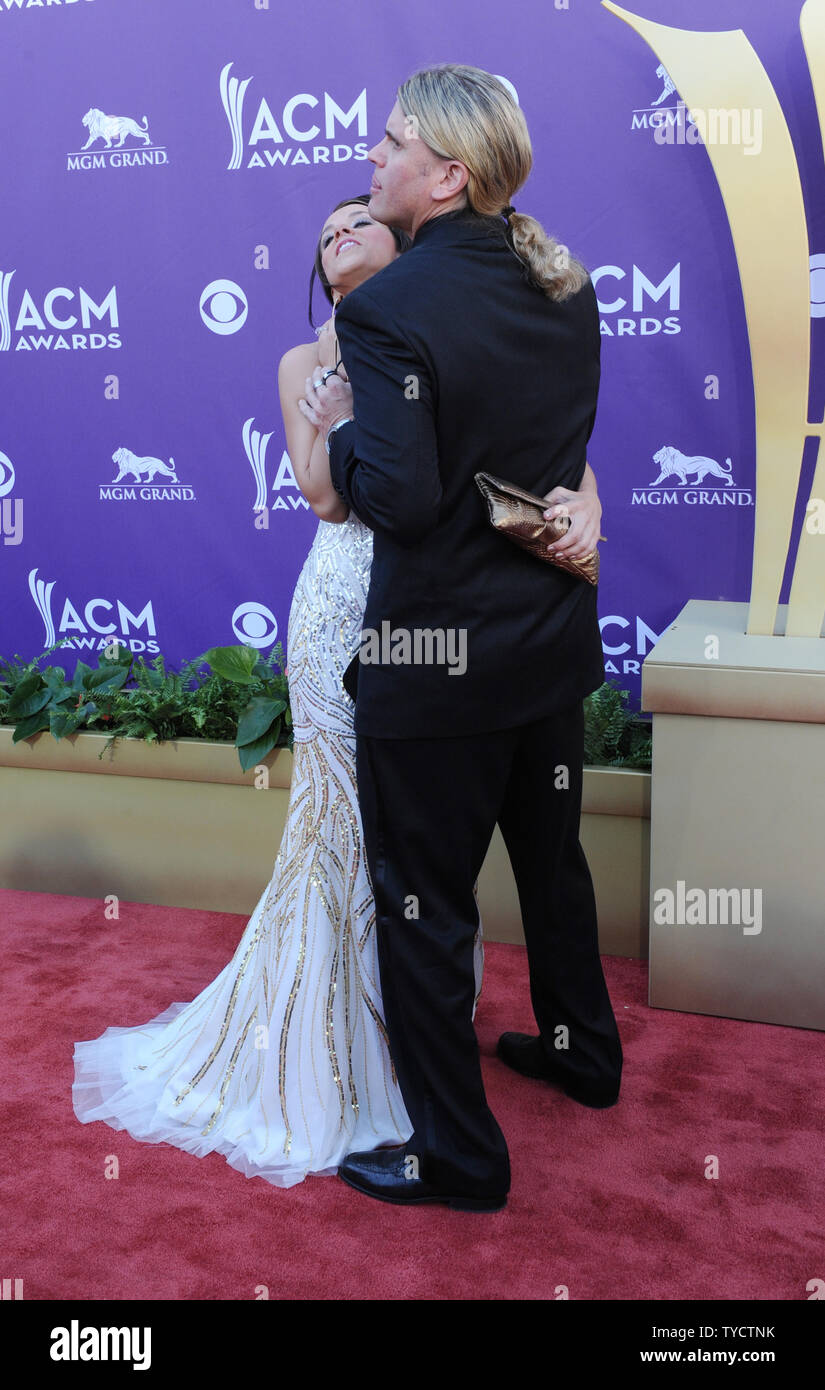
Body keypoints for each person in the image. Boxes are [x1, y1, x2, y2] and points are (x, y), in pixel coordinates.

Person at [71, 190, 604, 1190]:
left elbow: (539, 454)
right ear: (321, 276)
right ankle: (327, 1047)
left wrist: (588, 509)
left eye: (361, 216)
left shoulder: (448, 320)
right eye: (326, 234)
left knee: (421, 850)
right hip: (343, 612)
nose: (344, 229)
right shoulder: (305, 359)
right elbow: (321, 491)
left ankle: (411, 1056)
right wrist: (350, 415)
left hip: (447, 625)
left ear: (408, 236)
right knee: (343, 833)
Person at [301, 64, 623, 1214]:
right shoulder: (566, 283)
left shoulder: (385, 310)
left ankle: (459, 1157)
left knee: (425, 907)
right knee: (553, 868)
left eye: (390, 144)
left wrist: (337, 437)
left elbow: (399, 496)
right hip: (546, 652)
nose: (370, 157)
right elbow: (553, 463)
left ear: (446, 173)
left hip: (434, 667)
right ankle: (585, 1049)